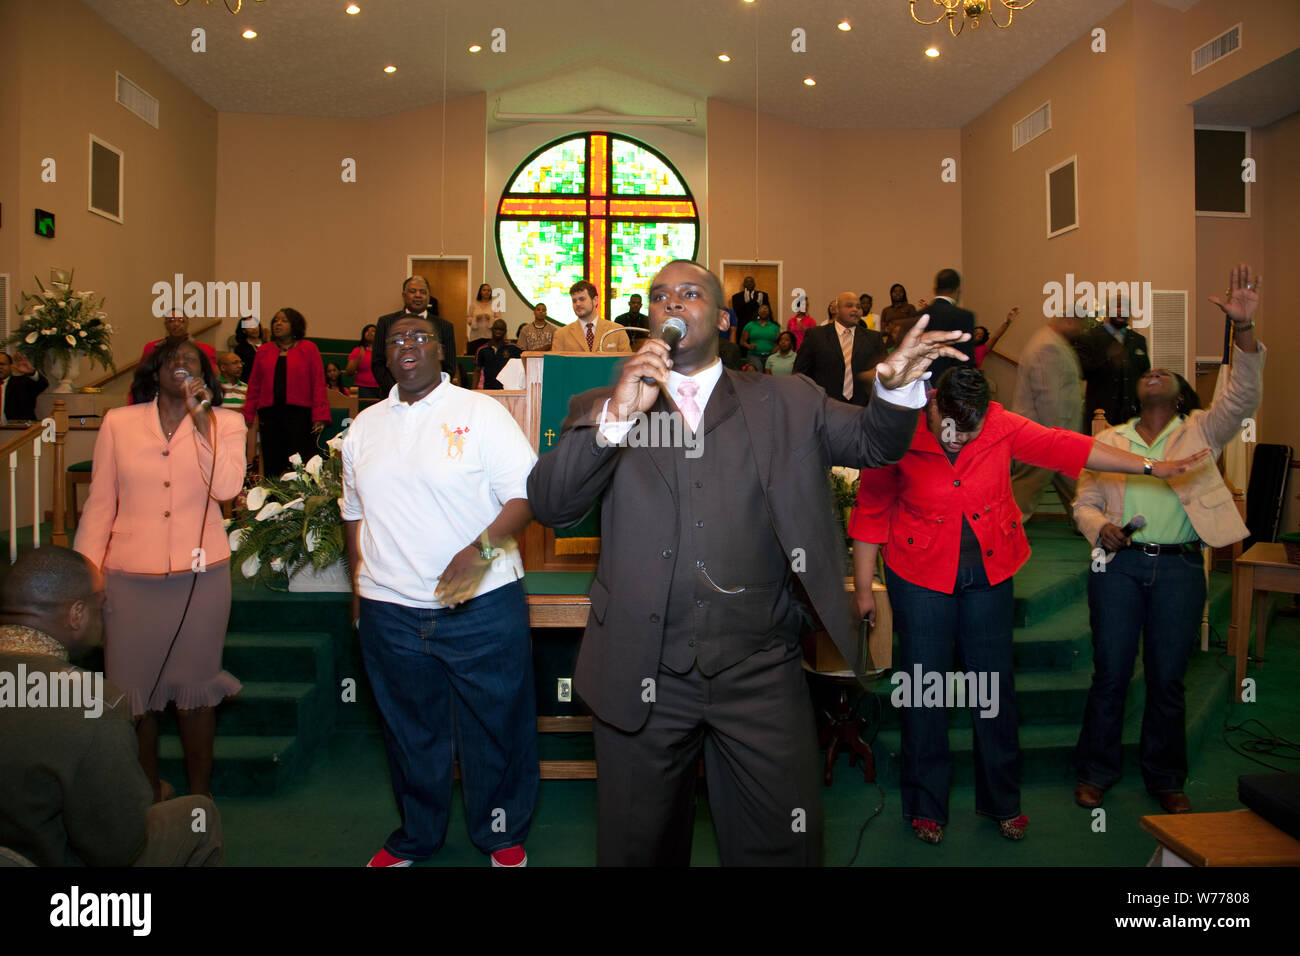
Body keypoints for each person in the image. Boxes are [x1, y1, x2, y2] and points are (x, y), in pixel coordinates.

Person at [527, 259, 970, 866]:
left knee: (781, 844)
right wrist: (617, 418)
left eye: (690, 294)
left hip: (759, 667)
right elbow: (551, 504)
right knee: (638, 847)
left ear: (725, 317)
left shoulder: (788, 400)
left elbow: (874, 444)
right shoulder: (602, 404)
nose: (672, 305)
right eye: (659, 298)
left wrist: (892, 389)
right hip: (641, 667)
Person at [851, 367, 1208, 846]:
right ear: (933, 404)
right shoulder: (899, 430)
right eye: (951, 425)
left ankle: (1002, 802)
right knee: (926, 692)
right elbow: (871, 511)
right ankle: (924, 805)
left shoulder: (1000, 423)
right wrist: (861, 587)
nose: (960, 437)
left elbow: (1070, 447)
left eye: (971, 428)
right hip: (918, 576)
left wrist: (1150, 467)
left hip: (990, 573)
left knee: (993, 691)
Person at [343, 314, 539, 868]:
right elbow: (353, 515)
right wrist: (360, 590)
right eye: (395, 339)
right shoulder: (363, 427)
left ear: (444, 351)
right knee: (409, 731)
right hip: (391, 608)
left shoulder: (481, 414)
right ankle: (416, 836)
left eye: (419, 336)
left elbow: (526, 498)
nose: (406, 344)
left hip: (482, 603)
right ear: (384, 356)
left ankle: (499, 834)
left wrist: (477, 553)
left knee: (496, 723)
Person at [1073, 264, 1264, 816]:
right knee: (1110, 672)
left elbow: (1243, 397)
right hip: (1118, 568)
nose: (1154, 371)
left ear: (1181, 394)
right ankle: (1096, 771)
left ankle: (1165, 776)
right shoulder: (1110, 440)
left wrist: (1243, 331)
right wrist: (1097, 528)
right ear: (1137, 391)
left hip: (1179, 570)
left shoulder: (1203, 428)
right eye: (1147, 371)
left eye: (1165, 372)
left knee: (1168, 678)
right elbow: (1083, 503)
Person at [75, 339, 247, 803]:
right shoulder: (119, 423)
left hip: (201, 578)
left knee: (195, 695)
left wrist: (201, 421)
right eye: (172, 359)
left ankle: (197, 802)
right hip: (128, 579)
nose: (181, 366)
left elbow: (228, 486)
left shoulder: (226, 422)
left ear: (205, 377)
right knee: (135, 699)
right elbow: (100, 503)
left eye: (191, 362)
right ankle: (147, 798)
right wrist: (88, 574)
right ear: (154, 370)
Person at [0, 547, 226, 867]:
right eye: (100, 603)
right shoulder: (93, 703)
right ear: (77, 614)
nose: (105, 615)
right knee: (199, 816)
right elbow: (118, 844)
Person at [1010, 311, 1084, 521]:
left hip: (1049, 432)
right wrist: (1057, 436)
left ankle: (1087, 521)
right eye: (1079, 324)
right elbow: (1049, 395)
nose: (1081, 330)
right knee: (1027, 487)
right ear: (1068, 321)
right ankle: (1007, 527)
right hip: (1043, 433)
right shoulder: (1048, 346)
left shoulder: (1050, 342)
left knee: (1073, 483)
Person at [242, 308, 330, 476]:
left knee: (301, 463)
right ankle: (273, 500)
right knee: (273, 462)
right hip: (270, 415)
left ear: (294, 325)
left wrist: (320, 415)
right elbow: (254, 385)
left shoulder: (309, 349)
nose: (278, 324)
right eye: (275, 320)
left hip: (300, 416)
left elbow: (318, 383)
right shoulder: (264, 351)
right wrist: (248, 414)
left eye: (283, 320)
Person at [793, 292, 887, 405]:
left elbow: (884, 375)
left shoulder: (873, 338)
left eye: (858, 307)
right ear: (836, 309)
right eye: (849, 306)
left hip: (862, 408)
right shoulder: (816, 335)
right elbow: (800, 373)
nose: (855, 309)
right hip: (825, 406)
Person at [372, 277, 456, 394]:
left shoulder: (444, 326)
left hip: (433, 397)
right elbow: (378, 362)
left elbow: (449, 366)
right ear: (404, 295)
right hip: (394, 395)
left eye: (423, 292)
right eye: (413, 291)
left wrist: (430, 392)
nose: (418, 295)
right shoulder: (386, 323)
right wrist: (399, 390)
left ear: (428, 297)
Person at [1076, 300, 1151, 425]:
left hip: (1131, 418)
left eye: (1125, 308)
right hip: (1100, 416)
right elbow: (1083, 372)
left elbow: (1144, 374)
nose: (1121, 311)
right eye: (1117, 307)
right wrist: (1108, 358)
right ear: (1108, 311)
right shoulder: (1090, 338)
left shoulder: (1138, 340)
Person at [918, 269, 976, 384]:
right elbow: (965, 359)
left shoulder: (919, 315)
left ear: (935, 290)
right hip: (952, 385)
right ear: (958, 289)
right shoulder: (964, 316)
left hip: (923, 383)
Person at [551, 281, 631, 353]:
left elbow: (628, 366)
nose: (577, 304)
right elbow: (557, 367)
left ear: (595, 300)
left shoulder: (617, 331)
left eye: (582, 299)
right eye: (574, 301)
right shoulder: (561, 335)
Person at [140, 310, 219, 366]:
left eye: (181, 320)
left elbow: (212, 379)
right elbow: (141, 378)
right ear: (166, 325)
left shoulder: (205, 350)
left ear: (187, 324)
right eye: (171, 321)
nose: (176, 324)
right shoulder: (152, 348)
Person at [0, 351, 48, 423]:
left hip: (18, 430)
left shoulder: (21, 383)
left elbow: (42, 384)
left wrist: (31, 372)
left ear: (11, 366)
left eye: (2, 364)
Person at [475, 319, 522, 390]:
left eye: (501, 329)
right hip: (488, 389)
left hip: (507, 389)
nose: (498, 332)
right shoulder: (482, 350)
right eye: (496, 329)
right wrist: (474, 390)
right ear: (492, 330)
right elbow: (477, 371)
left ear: (505, 331)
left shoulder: (513, 348)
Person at [740, 302, 779, 371]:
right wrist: (748, 346)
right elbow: (742, 341)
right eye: (761, 309)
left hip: (770, 356)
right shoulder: (750, 325)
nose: (764, 311)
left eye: (766, 309)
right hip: (754, 355)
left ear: (769, 312)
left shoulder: (775, 327)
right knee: (758, 371)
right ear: (758, 312)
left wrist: (774, 350)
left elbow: (779, 343)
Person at [345, 323, 381, 399]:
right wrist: (358, 358)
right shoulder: (358, 350)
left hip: (381, 387)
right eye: (367, 331)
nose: (370, 333)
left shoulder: (383, 351)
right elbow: (348, 372)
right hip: (363, 388)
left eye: (373, 331)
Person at [466, 283, 500, 356]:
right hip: (475, 337)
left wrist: (490, 318)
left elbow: (498, 321)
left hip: (489, 337)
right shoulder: (473, 305)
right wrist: (475, 318)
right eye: (484, 290)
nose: (486, 292)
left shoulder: (494, 305)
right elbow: (468, 320)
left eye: (488, 290)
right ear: (480, 292)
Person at [231, 317, 265, 383]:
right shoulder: (240, 349)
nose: (254, 328)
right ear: (244, 330)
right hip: (249, 382)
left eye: (255, 325)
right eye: (250, 326)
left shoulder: (268, 345)